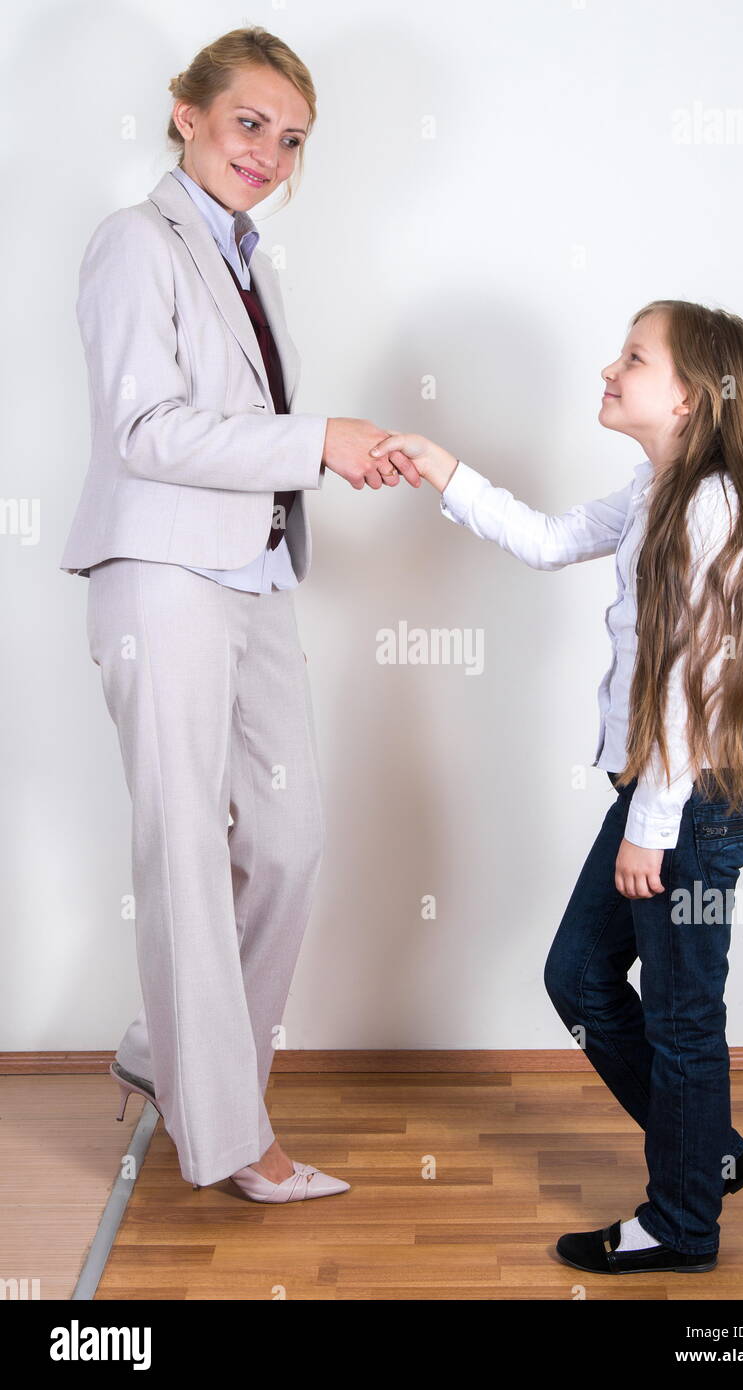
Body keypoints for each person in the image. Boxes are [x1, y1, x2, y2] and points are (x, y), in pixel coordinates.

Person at [60, 26, 419, 1203]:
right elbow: (146, 430)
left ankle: (173, 1058)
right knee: (183, 845)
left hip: (255, 572)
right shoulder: (134, 243)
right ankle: (225, 1135)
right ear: (187, 112)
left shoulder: (252, 259)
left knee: (289, 839)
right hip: (161, 572)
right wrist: (322, 443)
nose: (268, 152)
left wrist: (315, 462)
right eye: (250, 122)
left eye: (292, 138)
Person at [370, 298, 743, 1273]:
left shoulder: (712, 504)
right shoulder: (658, 489)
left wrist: (648, 828)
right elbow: (549, 537)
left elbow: (692, 679)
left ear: (688, 397)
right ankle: (706, 1152)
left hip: (690, 803)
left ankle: (682, 1223)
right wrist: (442, 467)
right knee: (577, 976)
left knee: (682, 1023)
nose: (609, 368)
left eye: (632, 358)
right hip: (663, 795)